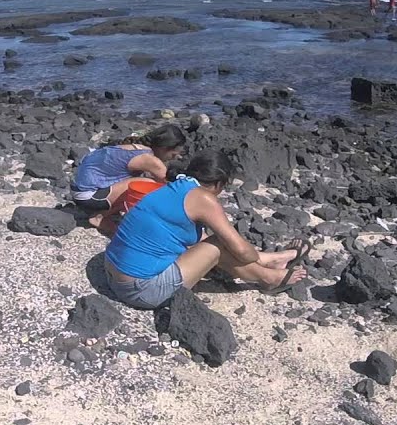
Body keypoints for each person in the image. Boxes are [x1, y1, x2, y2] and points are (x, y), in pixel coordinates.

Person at [103, 150, 309, 309]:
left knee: (208, 240)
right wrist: (253, 257)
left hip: (112, 273)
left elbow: (195, 237)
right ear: (219, 183)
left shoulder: (175, 186)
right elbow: (242, 252)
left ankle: (272, 260)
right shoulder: (202, 198)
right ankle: (268, 278)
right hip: (140, 290)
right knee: (218, 245)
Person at [71, 124, 187, 225]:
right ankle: (99, 216)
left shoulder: (133, 147)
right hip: (88, 196)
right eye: (173, 154)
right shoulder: (150, 160)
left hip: (79, 190)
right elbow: (170, 187)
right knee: (149, 185)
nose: (178, 157)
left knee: (142, 182)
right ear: (163, 148)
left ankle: (109, 210)